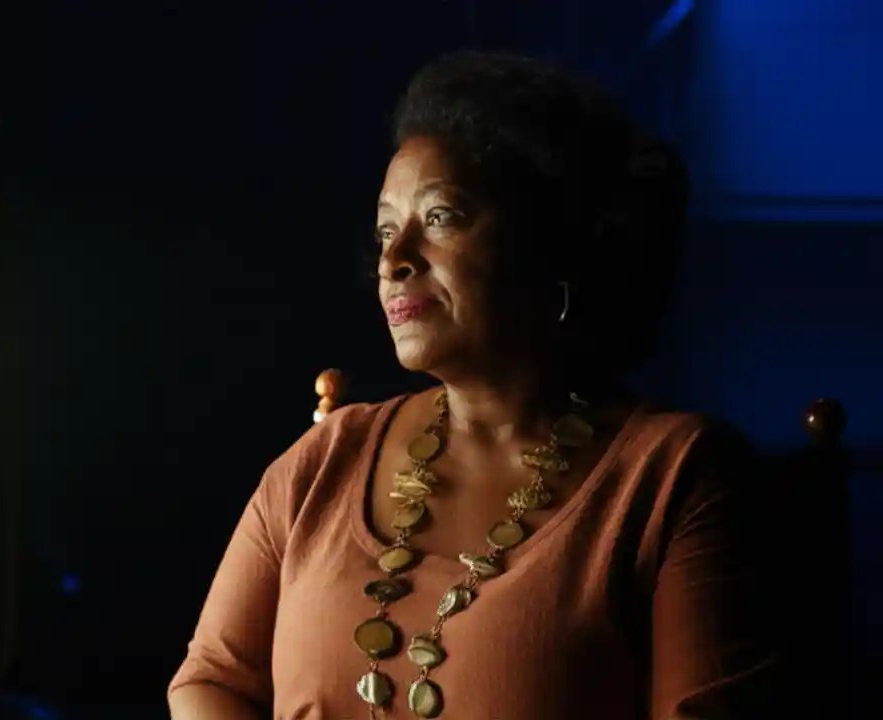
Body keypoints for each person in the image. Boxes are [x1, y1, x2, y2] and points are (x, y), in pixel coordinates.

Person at [168, 52, 786, 719]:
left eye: (440, 218)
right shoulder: (326, 459)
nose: (394, 259)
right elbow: (210, 682)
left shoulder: (676, 476)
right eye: (385, 229)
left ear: (554, 244)